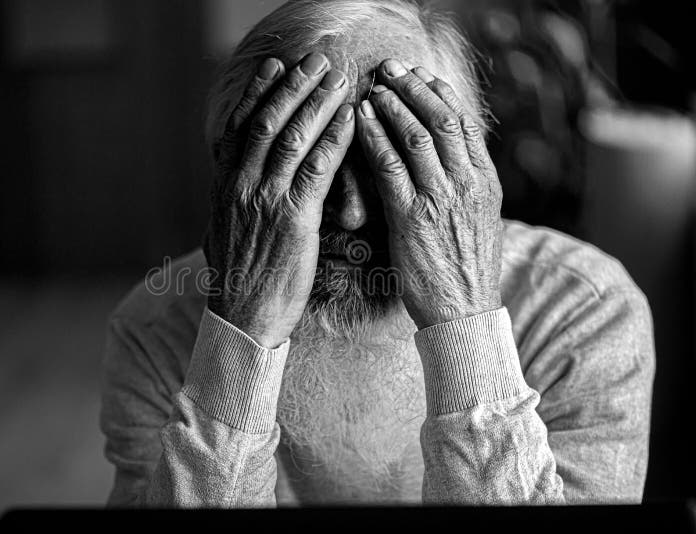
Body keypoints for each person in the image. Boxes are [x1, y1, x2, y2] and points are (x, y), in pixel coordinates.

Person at [99, 0, 655, 506]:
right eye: (307, 166)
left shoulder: (586, 311)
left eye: (387, 162)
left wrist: (463, 320)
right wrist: (246, 330)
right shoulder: (154, 330)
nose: (349, 214)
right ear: (235, 181)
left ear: (465, 169)